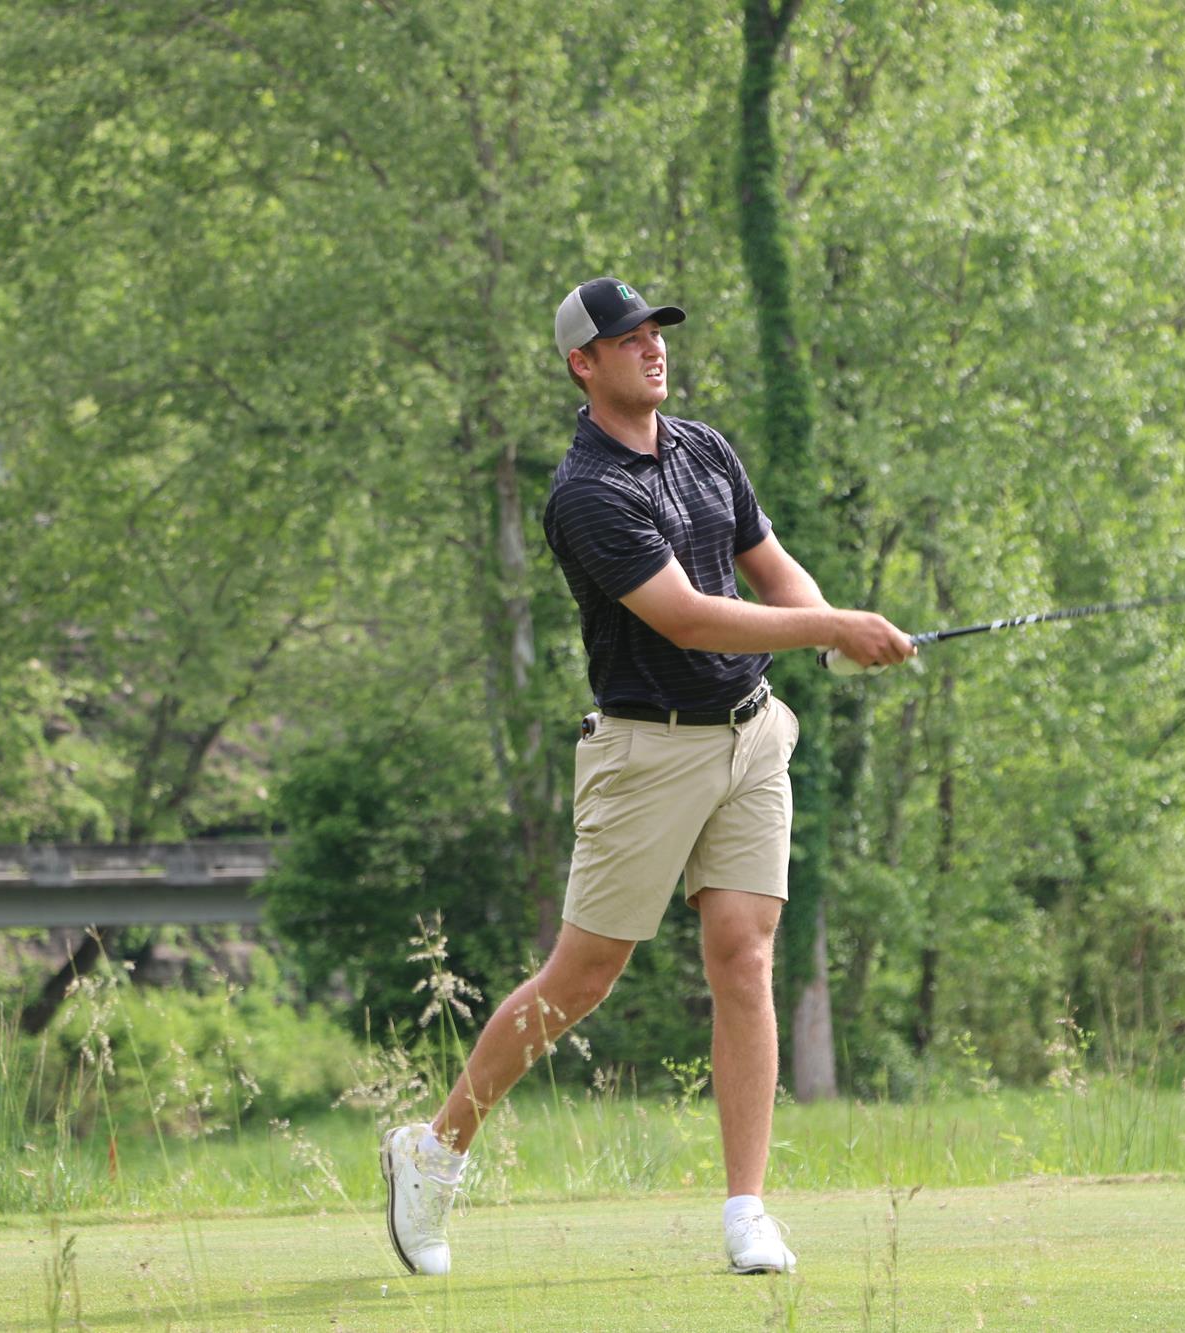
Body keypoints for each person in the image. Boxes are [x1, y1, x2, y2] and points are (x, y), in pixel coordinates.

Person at [380, 277, 913, 1277]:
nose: (651, 349)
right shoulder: (584, 492)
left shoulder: (704, 448)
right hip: (645, 751)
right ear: (583, 363)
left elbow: (768, 569)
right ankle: (434, 1146)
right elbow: (688, 616)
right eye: (626, 341)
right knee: (581, 977)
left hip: (751, 734)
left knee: (742, 955)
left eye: (655, 333)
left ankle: (746, 1208)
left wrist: (823, 629)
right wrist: (833, 628)